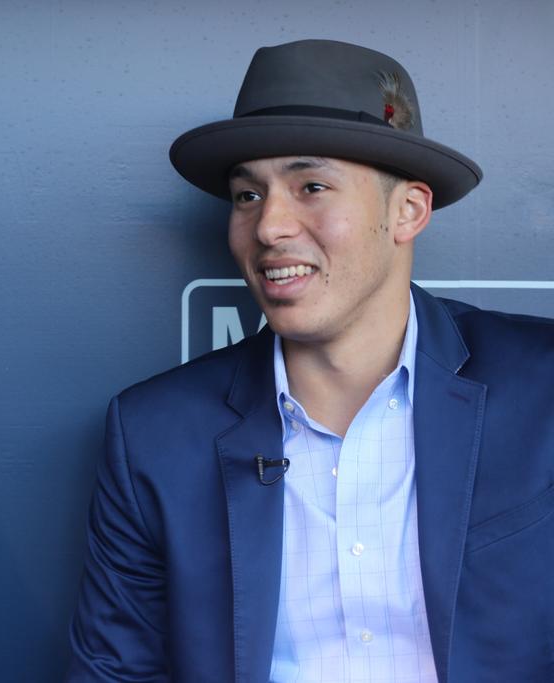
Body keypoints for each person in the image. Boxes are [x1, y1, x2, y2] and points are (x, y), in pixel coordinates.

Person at [68, 39, 554, 682]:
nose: (268, 226)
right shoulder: (154, 434)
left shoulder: (542, 384)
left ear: (408, 210)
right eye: (247, 196)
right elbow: (115, 671)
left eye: (312, 186)